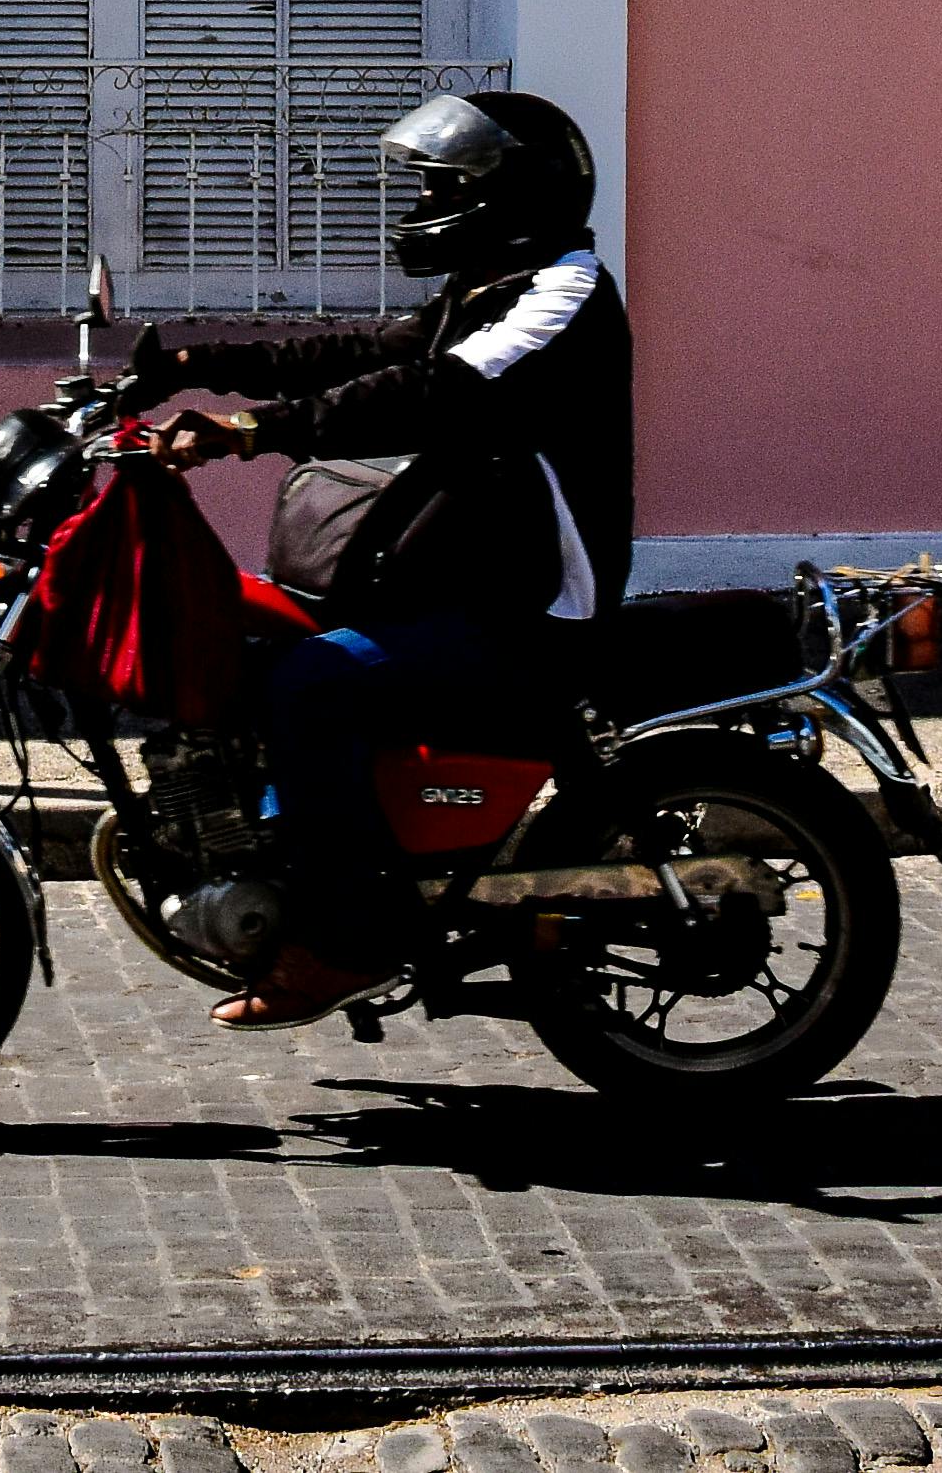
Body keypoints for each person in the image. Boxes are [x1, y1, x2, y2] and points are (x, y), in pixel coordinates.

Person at [132, 83, 631, 1027]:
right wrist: (194, 364)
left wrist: (249, 432)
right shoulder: (480, 290)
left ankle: (350, 939)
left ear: (508, 194)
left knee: (316, 684)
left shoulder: (563, 293)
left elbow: (430, 388)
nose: (425, 207)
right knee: (267, 646)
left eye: (445, 186)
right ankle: (290, 847)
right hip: (457, 582)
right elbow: (358, 350)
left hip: (530, 609)